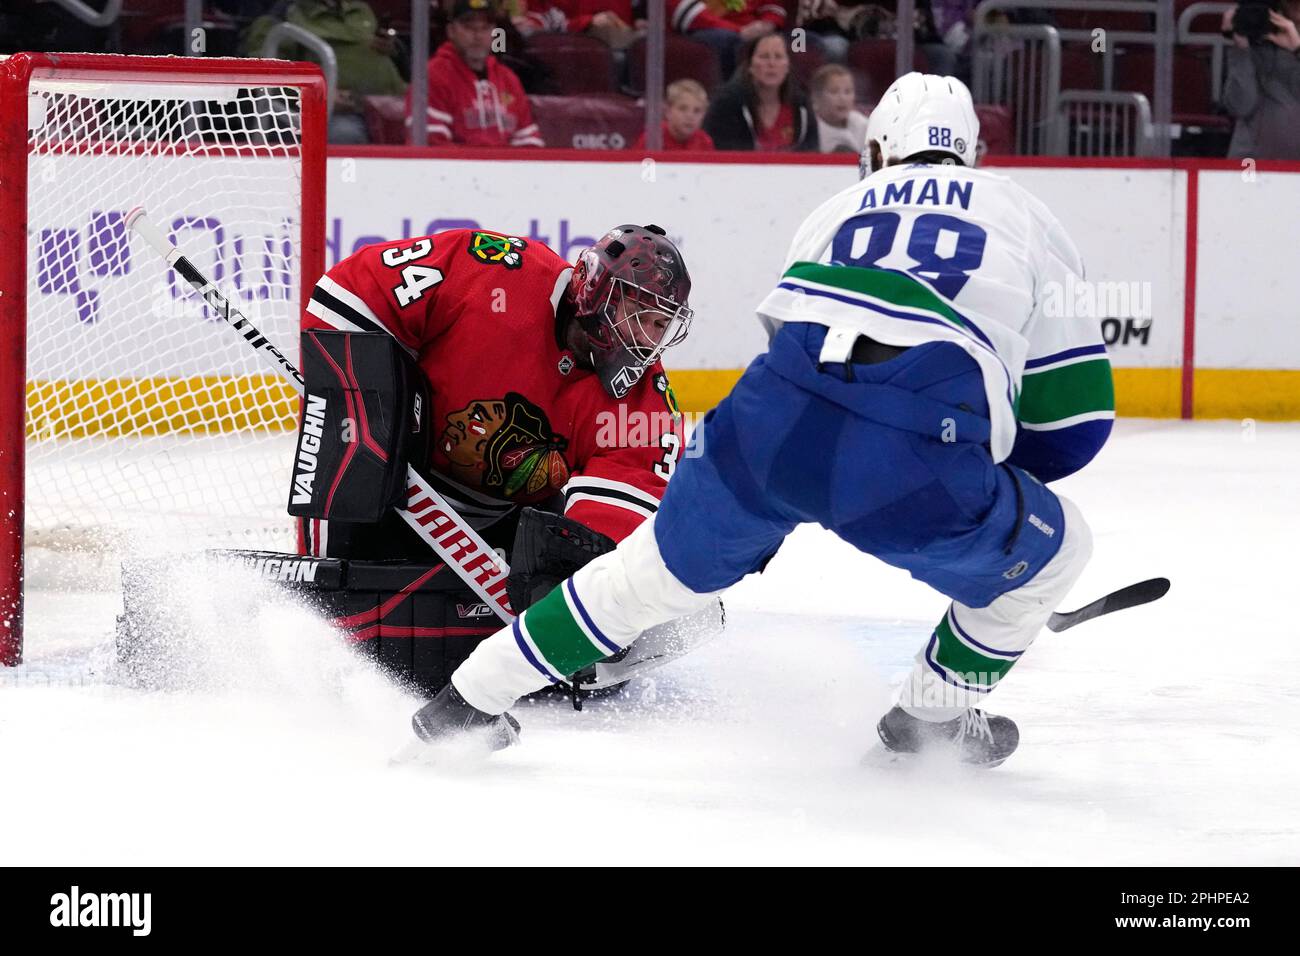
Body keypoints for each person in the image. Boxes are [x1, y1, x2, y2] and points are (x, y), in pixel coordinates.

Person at [409, 74, 1116, 768]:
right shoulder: (1023, 214)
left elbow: (798, 357)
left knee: (645, 576)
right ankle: (932, 717)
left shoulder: (837, 210)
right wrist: (987, 508)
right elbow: (1073, 424)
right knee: (1062, 548)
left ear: (877, 152)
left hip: (767, 418)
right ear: (973, 153)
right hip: (915, 446)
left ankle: (467, 699)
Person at [297, 224, 693, 694]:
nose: (647, 338)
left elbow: (625, 499)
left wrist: (573, 582)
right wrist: (376, 412)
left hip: (504, 518)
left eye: (659, 324)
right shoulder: (493, 269)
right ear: (592, 290)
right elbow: (349, 292)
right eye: (638, 314)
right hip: (392, 469)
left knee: (590, 619)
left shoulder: (642, 395)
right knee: (325, 585)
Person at [244, 0, 408, 144]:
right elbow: (263, 74)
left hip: (390, 103)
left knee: (423, 123)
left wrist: (393, 49)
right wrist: (316, 95)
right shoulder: (284, 16)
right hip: (332, 112)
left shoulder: (360, 8)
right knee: (345, 135)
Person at [414, 0, 545, 146]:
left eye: (485, 28)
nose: (478, 35)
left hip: (504, 168)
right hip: (455, 168)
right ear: (451, 31)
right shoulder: (432, 76)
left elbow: (529, 142)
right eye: (469, 27)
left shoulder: (508, 79)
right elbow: (431, 146)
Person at [703, 33, 819, 151]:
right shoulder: (726, 104)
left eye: (778, 57)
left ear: (787, 66)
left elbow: (812, 151)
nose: (771, 64)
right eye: (764, 57)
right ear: (750, 66)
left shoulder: (801, 106)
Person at [1221, 1, 1300, 159]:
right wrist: (1241, 48)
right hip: (1249, 161)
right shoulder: (1256, 40)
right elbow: (1240, 106)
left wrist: (1298, 49)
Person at [633, 79, 716, 151]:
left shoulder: (705, 142)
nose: (690, 116)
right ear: (667, 111)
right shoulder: (652, 139)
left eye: (697, 111)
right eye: (682, 109)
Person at [809, 63, 867, 153]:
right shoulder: (808, 127)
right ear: (816, 97)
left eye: (848, 92)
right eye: (834, 92)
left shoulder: (862, 125)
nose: (842, 98)